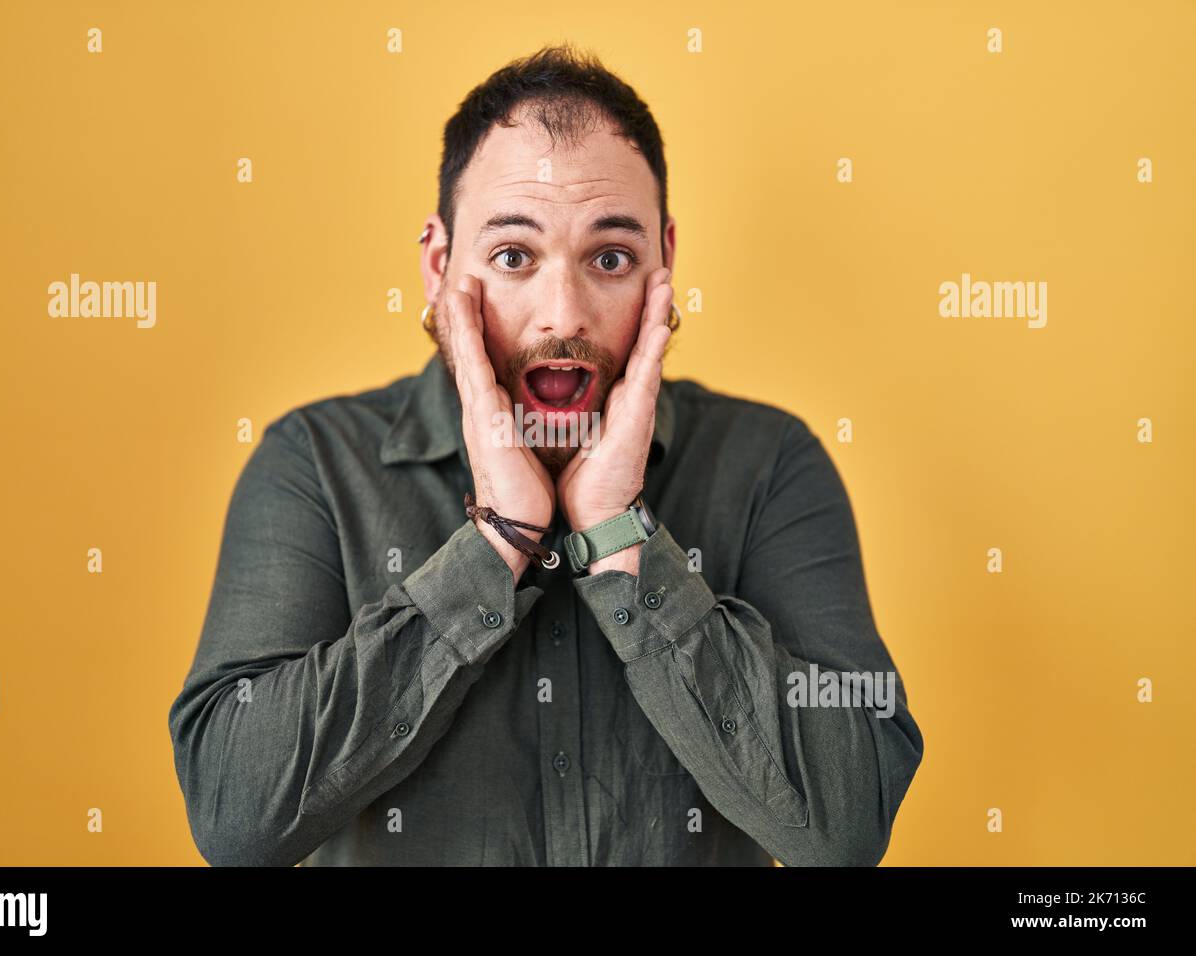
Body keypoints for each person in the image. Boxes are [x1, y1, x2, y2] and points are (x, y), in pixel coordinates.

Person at [168, 42, 924, 866]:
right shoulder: (314, 463)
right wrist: (498, 542)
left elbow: (847, 828)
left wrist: (619, 537)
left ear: (663, 264)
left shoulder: (770, 461)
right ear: (439, 265)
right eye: (513, 256)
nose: (562, 315)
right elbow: (235, 816)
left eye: (610, 258)